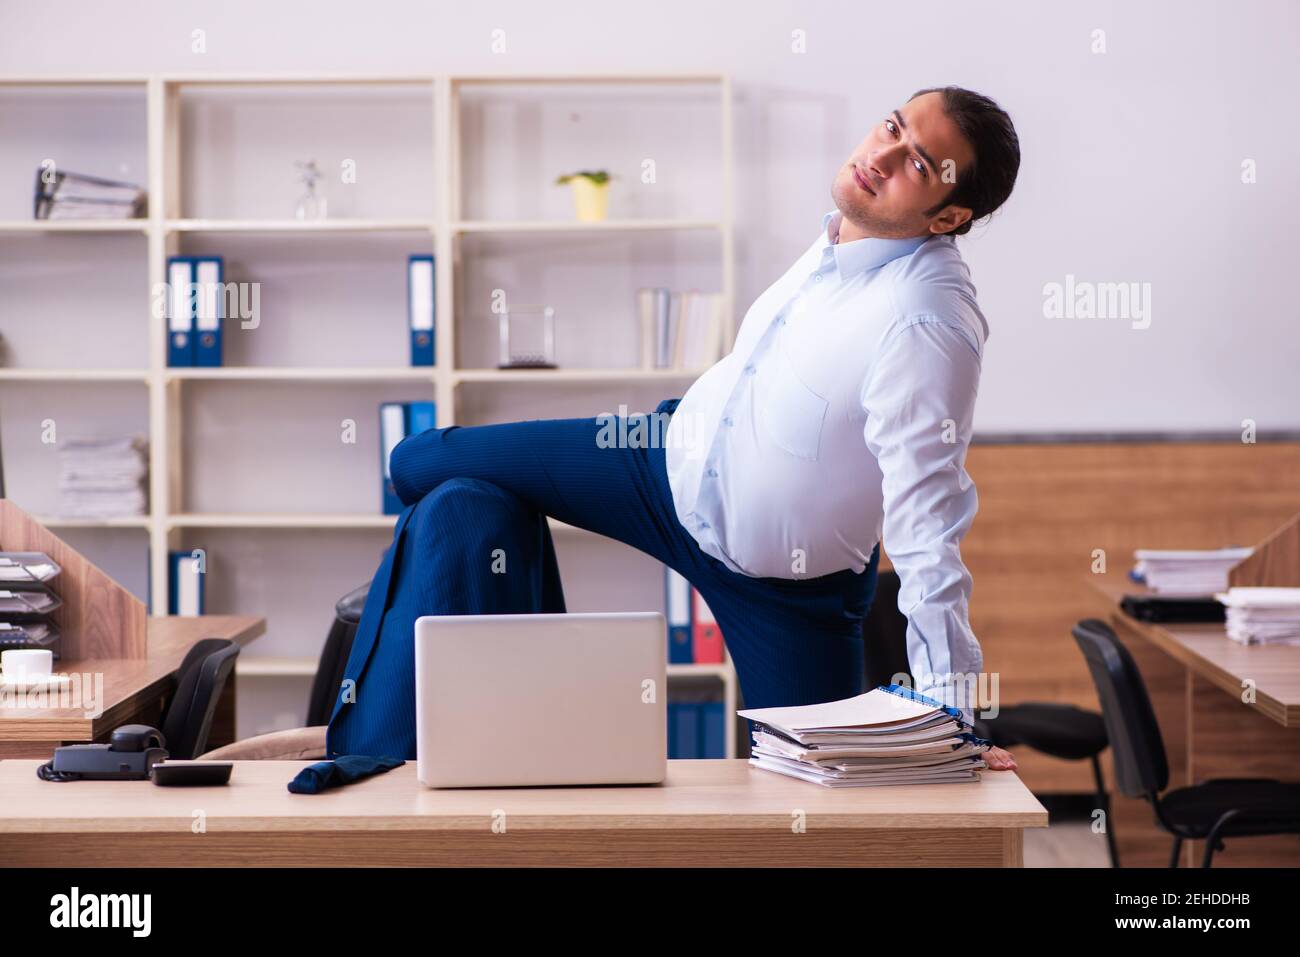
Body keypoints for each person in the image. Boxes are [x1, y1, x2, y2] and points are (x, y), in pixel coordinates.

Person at [326, 86, 1021, 771]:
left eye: (920, 165)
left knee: (820, 818)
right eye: (892, 127)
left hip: (783, 591)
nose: (885, 154)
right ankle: (386, 749)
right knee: (423, 464)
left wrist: (954, 717)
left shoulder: (928, 322)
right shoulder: (842, 233)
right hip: (663, 462)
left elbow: (929, 524)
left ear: (947, 215)